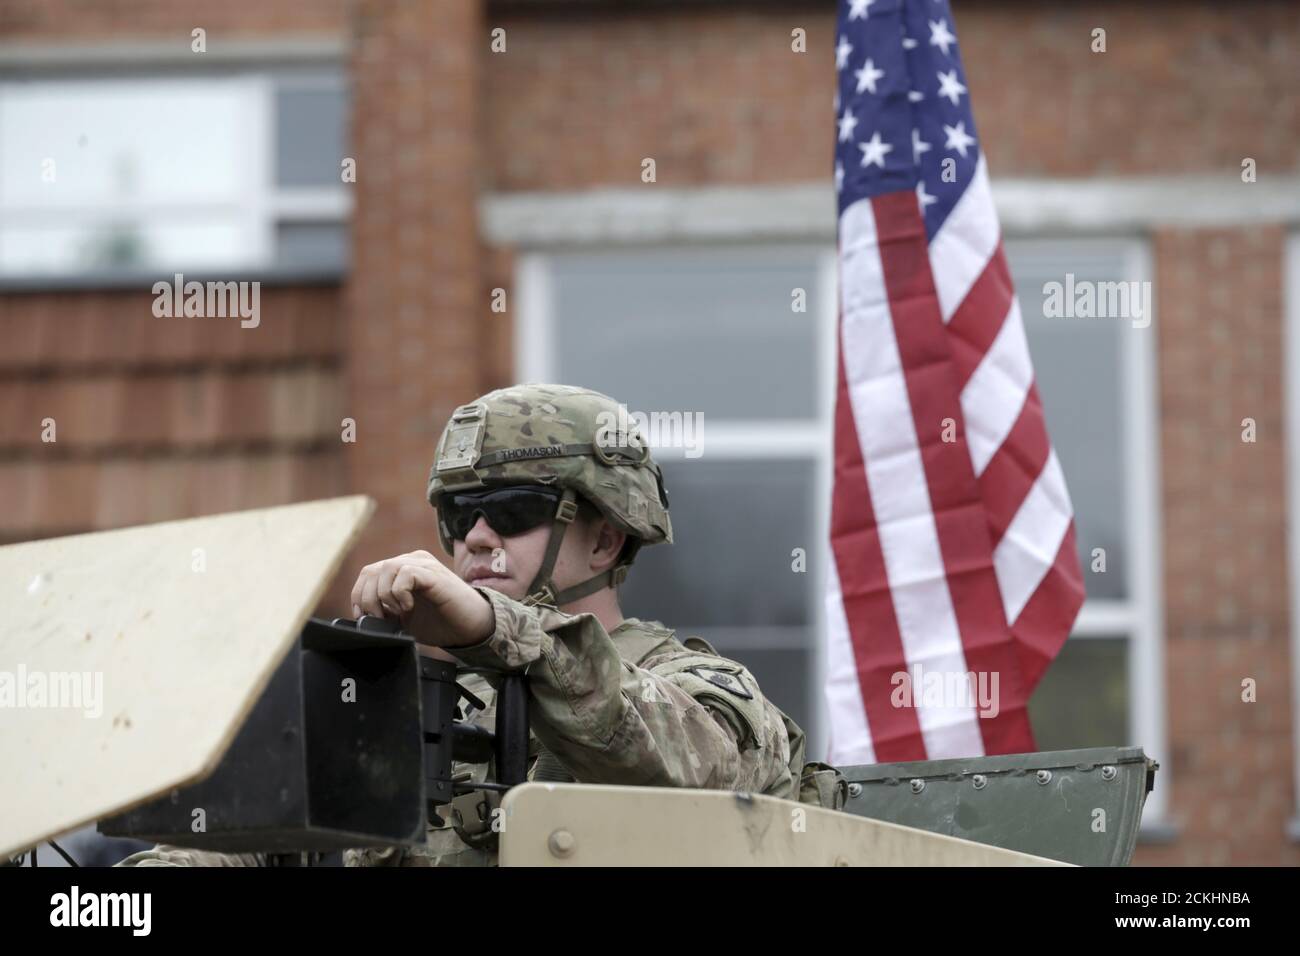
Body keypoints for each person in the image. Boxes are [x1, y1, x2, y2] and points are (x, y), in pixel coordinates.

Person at [119, 384, 820, 868]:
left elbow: (685, 764)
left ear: (606, 539)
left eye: (513, 511)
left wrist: (494, 630)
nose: (477, 538)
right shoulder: (402, 713)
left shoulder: (705, 692)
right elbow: (247, 845)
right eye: (458, 516)